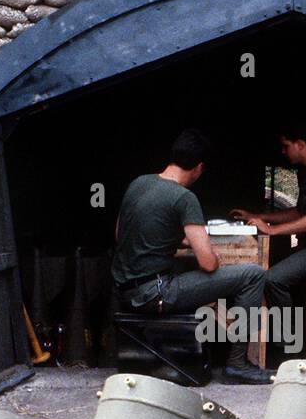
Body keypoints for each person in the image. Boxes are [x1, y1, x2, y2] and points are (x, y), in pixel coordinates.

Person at [111, 128, 269, 383]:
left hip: (125, 292)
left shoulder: (138, 184)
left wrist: (169, 240)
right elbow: (208, 264)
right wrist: (211, 253)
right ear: (199, 167)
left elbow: (121, 234)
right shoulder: (184, 198)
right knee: (253, 275)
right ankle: (237, 364)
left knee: (182, 271)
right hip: (157, 294)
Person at [231, 123, 306, 309]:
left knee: (273, 279)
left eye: (286, 146)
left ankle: (285, 329)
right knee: (266, 269)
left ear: (300, 144)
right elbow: (299, 213)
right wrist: (258, 216)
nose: (283, 151)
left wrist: (272, 230)